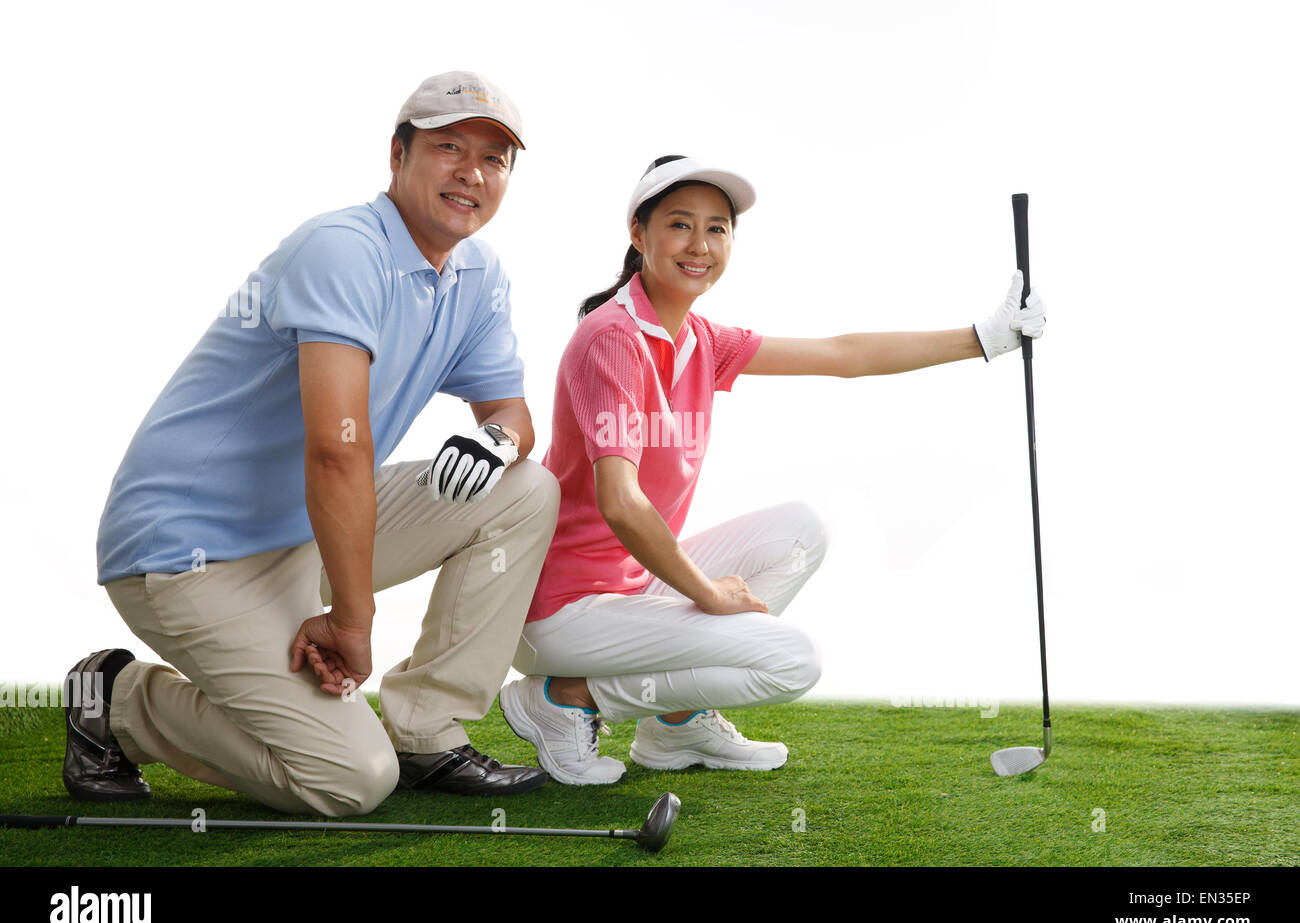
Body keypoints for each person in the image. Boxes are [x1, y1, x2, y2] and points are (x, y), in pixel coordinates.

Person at [72, 72, 560, 817]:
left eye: (494, 159)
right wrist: (353, 624)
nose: (472, 172)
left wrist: (495, 439)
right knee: (351, 782)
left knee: (523, 488)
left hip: (303, 530)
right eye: (449, 147)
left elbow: (513, 415)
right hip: (190, 553)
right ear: (396, 155)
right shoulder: (342, 249)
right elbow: (337, 451)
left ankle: (426, 729)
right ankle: (118, 700)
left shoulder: (477, 273)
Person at [500, 155, 1046, 784]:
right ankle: (566, 699)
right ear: (638, 234)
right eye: (679, 224)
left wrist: (985, 336)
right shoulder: (614, 339)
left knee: (800, 530)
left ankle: (674, 724)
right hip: (561, 613)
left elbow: (845, 355)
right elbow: (621, 503)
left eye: (717, 228)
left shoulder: (701, 340)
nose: (700, 245)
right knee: (793, 663)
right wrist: (707, 594)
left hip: (627, 591)